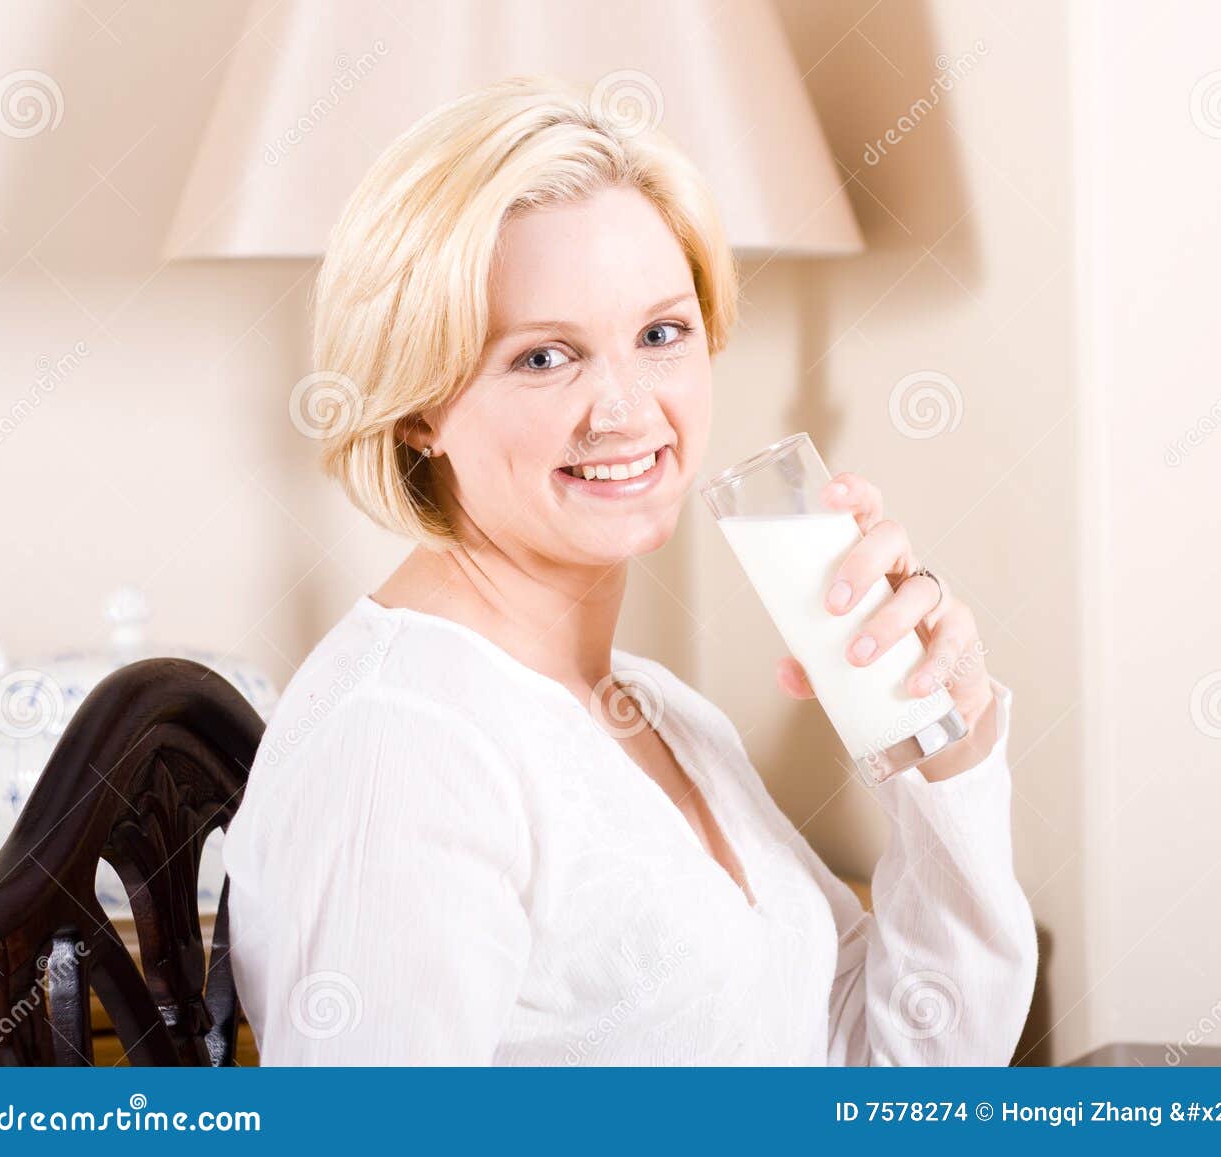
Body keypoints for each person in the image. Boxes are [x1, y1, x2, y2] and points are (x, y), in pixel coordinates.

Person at [223, 75, 1037, 1065]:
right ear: (417, 409)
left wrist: (942, 744)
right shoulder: (400, 746)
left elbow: (881, 1068)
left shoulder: (659, 711)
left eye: (661, 334)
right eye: (543, 356)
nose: (625, 410)